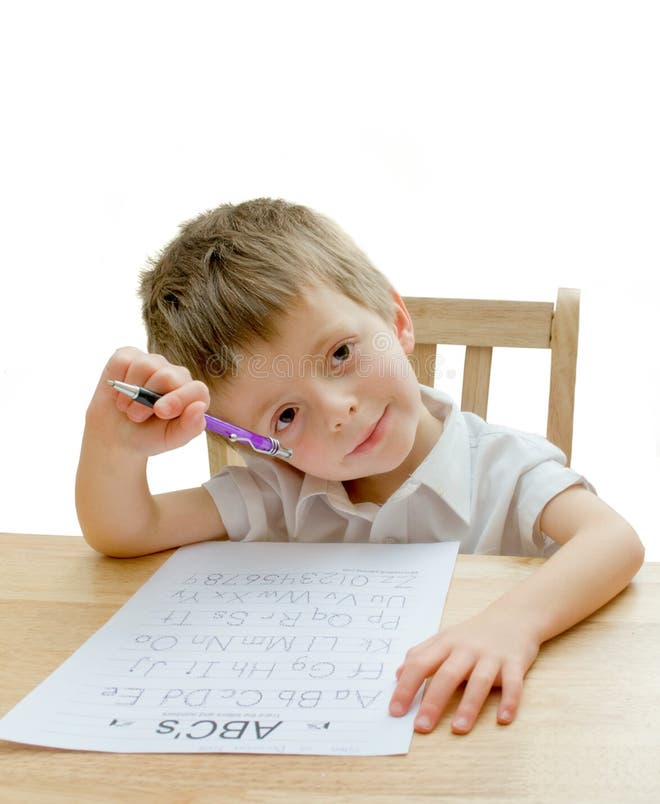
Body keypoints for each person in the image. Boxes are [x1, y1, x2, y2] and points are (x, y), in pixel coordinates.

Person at [76, 197, 645, 737]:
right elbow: (128, 531)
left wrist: (512, 624)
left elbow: (613, 540)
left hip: (491, 733)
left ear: (396, 320)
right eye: (287, 415)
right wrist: (112, 445)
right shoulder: (279, 491)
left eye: (341, 354)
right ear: (254, 444)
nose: (338, 411)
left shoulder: (502, 465)